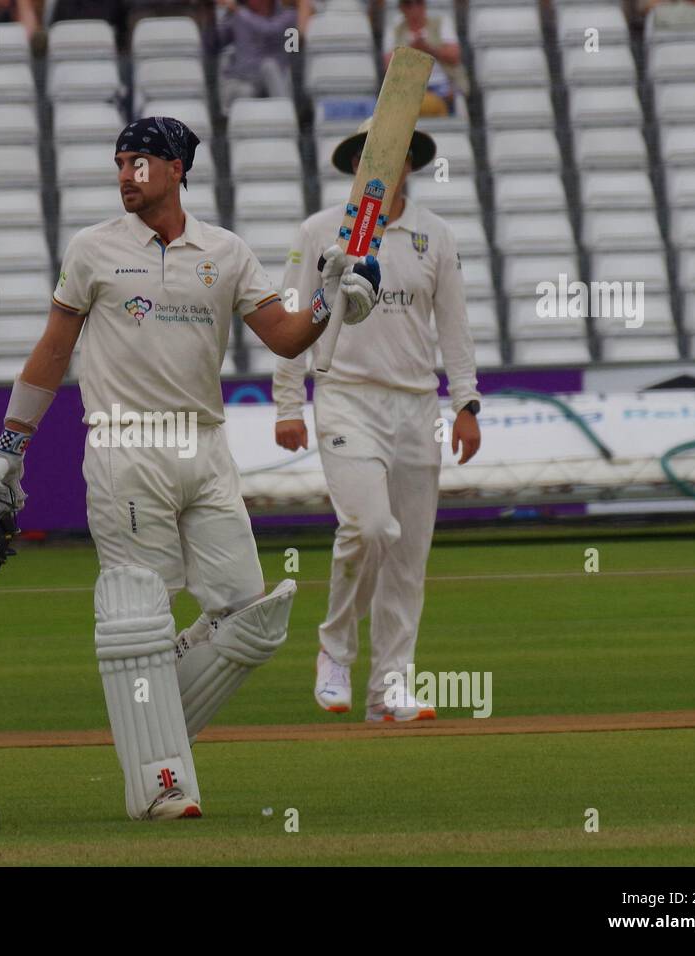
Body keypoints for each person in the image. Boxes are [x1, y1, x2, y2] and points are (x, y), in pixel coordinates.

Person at [0, 116, 376, 819]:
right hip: (126, 447)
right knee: (141, 621)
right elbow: (52, 347)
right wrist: (13, 440)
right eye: (121, 161)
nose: (127, 174)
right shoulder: (93, 249)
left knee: (251, 615)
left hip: (206, 446)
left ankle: (147, 736)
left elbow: (285, 337)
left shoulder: (224, 251)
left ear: (177, 169)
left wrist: (331, 301)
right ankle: (162, 784)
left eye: (141, 162)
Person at [273, 118, 482, 721]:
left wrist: (465, 403)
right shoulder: (321, 232)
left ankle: (390, 689)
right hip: (345, 395)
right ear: (358, 164)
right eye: (373, 155)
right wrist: (288, 404)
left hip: (417, 405)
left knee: (408, 555)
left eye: (394, 153)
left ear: (410, 161)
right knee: (370, 530)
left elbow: (454, 326)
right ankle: (334, 652)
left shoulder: (434, 235)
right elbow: (290, 317)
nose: (386, 164)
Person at [212, 0, 311, 113]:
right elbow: (214, 45)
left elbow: (270, 30)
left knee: (269, 66)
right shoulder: (238, 16)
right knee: (245, 91)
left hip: (276, 79)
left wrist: (238, 11)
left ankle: (285, 115)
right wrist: (209, 15)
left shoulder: (289, 15)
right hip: (243, 80)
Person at [383, 0, 466, 116]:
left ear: (424, 5)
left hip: (443, 87)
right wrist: (413, 49)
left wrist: (428, 49)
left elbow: (455, 55)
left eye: (419, 3)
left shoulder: (441, 23)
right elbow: (388, 67)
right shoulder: (394, 30)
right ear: (401, 8)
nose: (414, 8)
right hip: (409, 89)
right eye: (408, 4)